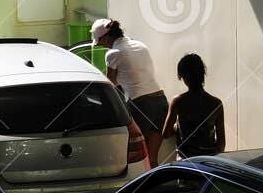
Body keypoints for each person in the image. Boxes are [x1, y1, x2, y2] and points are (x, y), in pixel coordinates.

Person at [92, 17, 167, 168]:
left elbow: (111, 83)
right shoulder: (140, 45)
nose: (101, 45)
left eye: (100, 41)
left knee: (136, 157)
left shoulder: (113, 53)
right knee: (152, 159)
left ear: (106, 37)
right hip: (161, 101)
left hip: (141, 104)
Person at [162, 53, 225, 158]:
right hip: (209, 160)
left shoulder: (178, 101)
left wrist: (177, 126)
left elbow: (166, 133)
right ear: (203, 74)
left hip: (186, 161)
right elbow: (221, 144)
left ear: (184, 77)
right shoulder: (216, 104)